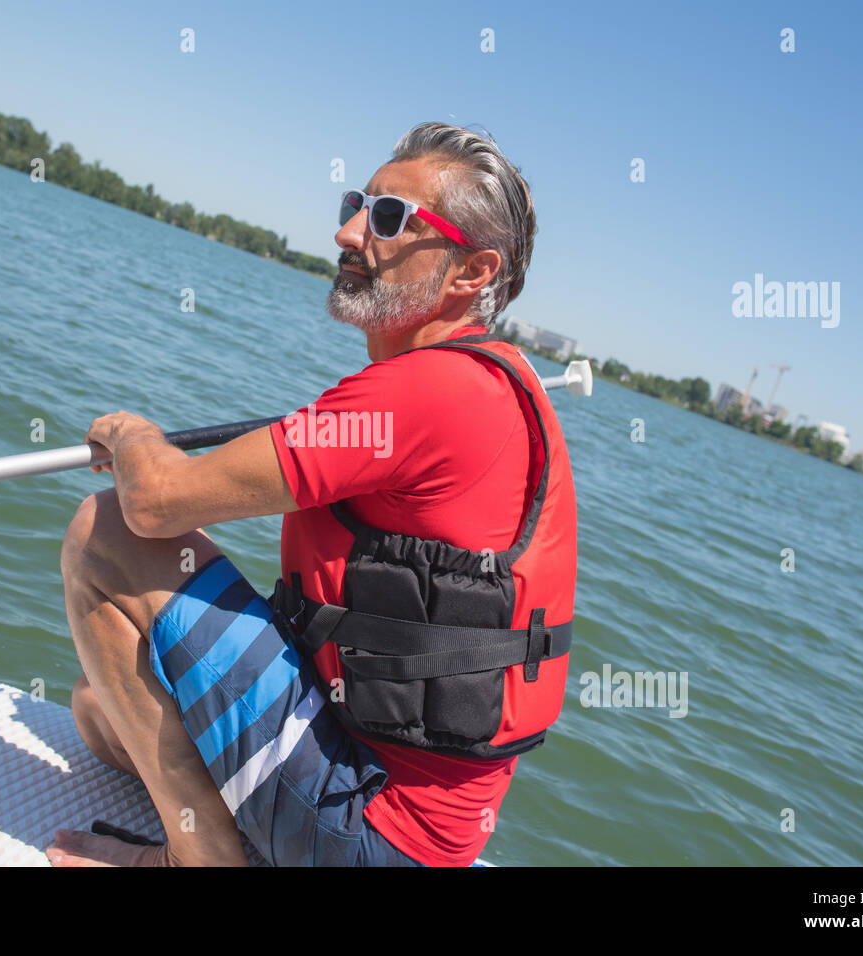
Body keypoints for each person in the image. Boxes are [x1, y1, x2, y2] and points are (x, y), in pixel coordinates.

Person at [47, 122, 577, 867]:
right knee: (99, 713)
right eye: (359, 202)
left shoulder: (429, 396)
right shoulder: (493, 385)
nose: (349, 230)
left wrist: (131, 434)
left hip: (367, 829)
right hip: (393, 816)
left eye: (389, 218)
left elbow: (155, 503)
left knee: (104, 531)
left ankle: (199, 862)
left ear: (470, 272)